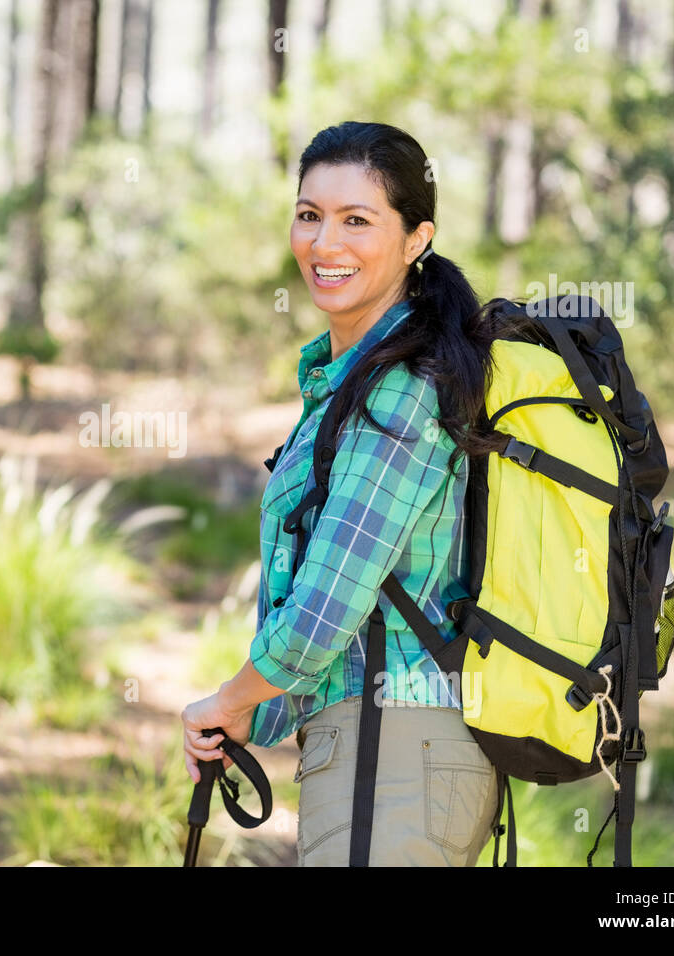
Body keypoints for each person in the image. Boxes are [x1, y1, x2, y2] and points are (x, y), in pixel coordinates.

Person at [181, 121, 506, 866]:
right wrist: (251, 721)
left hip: (393, 755)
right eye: (309, 214)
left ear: (416, 238)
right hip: (377, 753)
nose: (325, 244)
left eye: (357, 220)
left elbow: (324, 611)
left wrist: (228, 701)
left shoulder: (400, 389)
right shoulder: (348, 379)